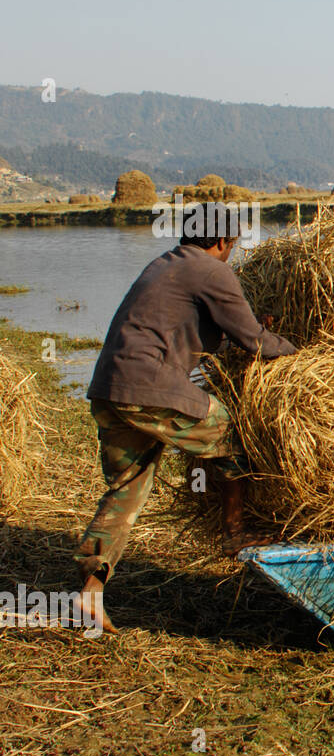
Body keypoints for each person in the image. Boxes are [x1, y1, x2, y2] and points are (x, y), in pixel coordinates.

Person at [73, 202, 297, 633]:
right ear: (219, 242)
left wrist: (253, 328)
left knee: (128, 488)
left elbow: (205, 328)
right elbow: (255, 342)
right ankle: (234, 532)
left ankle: (91, 588)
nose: (231, 251)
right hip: (148, 388)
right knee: (234, 435)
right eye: (231, 244)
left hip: (108, 389)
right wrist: (304, 356)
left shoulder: (166, 265)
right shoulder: (213, 271)